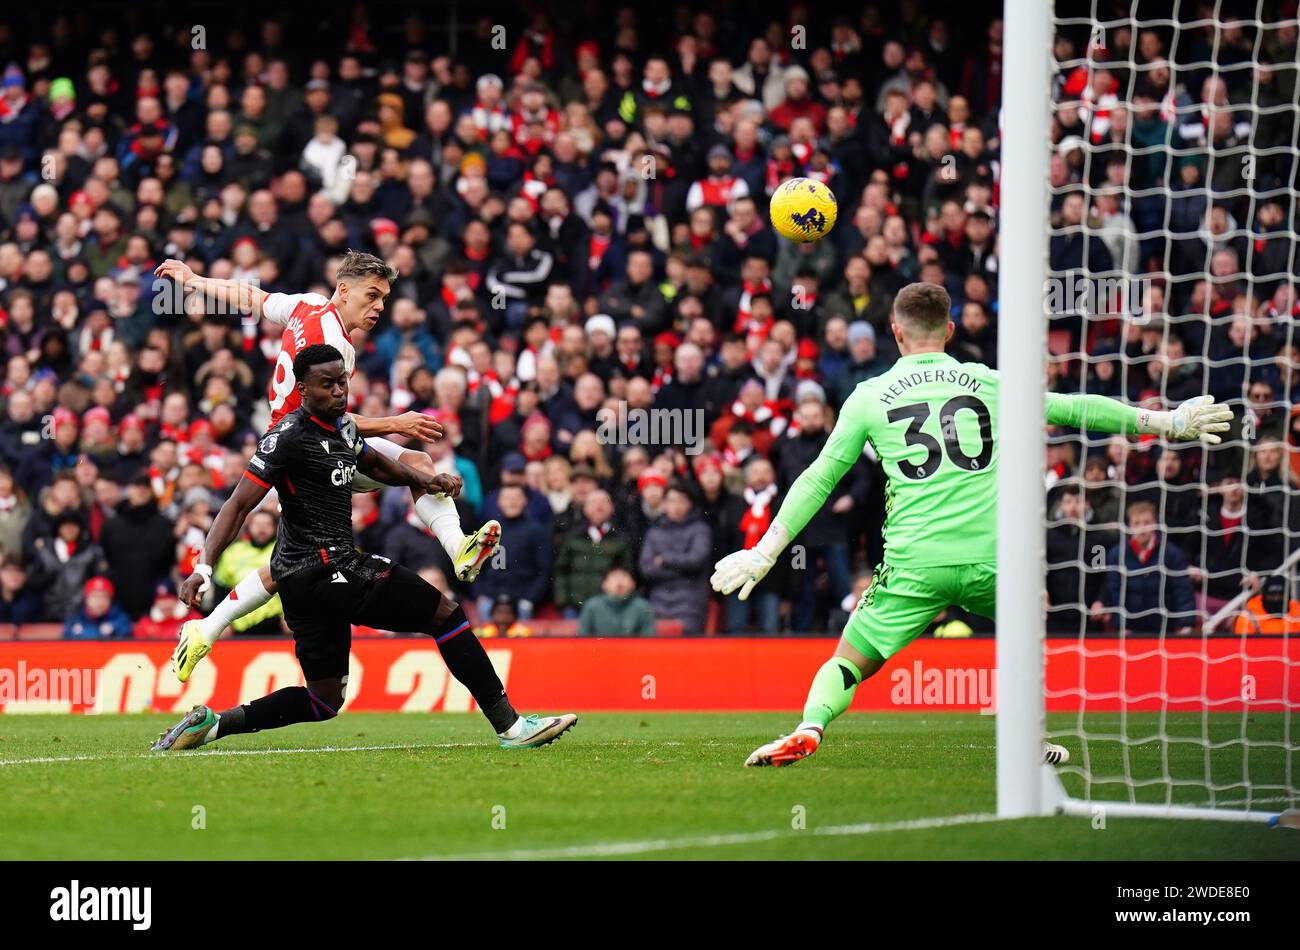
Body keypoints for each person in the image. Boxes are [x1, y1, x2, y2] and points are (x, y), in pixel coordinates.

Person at [711, 282, 1232, 767]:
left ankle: (811, 726)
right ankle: (1027, 730)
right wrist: (1165, 422)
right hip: (994, 558)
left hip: (916, 562)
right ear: (950, 331)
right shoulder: (987, 382)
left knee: (852, 659)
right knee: (1025, 632)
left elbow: (820, 478)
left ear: (895, 331)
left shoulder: (869, 396)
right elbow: (1074, 409)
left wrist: (765, 551)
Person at [151, 344, 575, 752]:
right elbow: (237, 505)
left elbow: (373, 464)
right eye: (326, 385)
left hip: (301, 586)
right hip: (330, 569)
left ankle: (213, 725)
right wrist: (203, 568)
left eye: (342, 383)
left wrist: (423, 481)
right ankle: (512, 725)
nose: (338, 391)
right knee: (446, 615)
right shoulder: (287, 438)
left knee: (323, 699)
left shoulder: (344, 428)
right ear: (302, 390)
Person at [154, 251, 501, 681]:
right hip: (309, 453)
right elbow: (328, 422)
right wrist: (396, 422)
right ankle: (457, 548)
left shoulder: (304, 305)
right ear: (343, 290)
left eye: (384, 300)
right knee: (413, 462)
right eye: (371, 296)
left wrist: (195, 279)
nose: (378, 307)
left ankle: (206, 628)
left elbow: (250, 296)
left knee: (292, 561)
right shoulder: (334, 348)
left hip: (290, 451)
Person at [577, 567, 657, 636]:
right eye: (614, 576)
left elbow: (649, 638)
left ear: (633, 583)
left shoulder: (643, 607)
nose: (619, 581)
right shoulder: (592, 606)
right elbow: (582, 637)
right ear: (604, 584)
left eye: (624, 576)